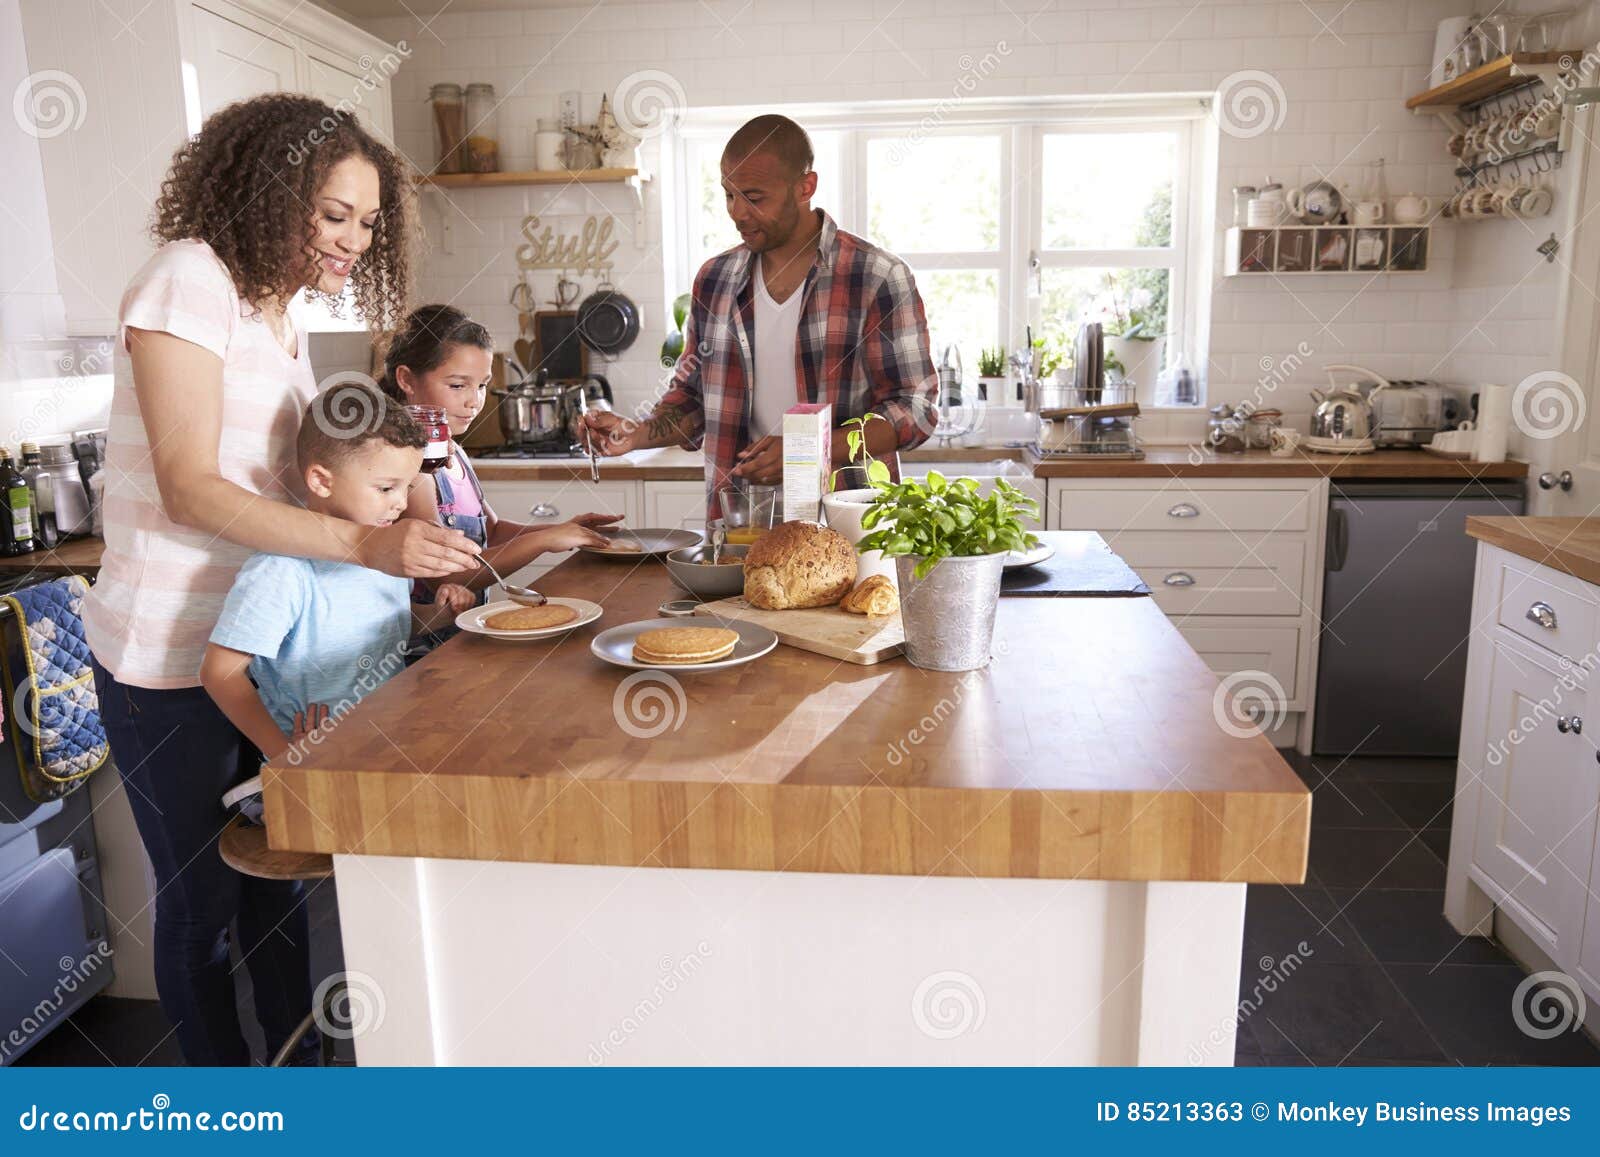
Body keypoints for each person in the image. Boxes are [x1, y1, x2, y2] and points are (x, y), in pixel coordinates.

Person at [83, 93, 480, 1067]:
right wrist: (366, 551)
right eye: (334, 213)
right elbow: (188, 488)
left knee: (276, 886)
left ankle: (299, 1086)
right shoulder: (187, 281)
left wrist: (412, 542)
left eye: (367, 222)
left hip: (259, 649)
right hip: (168, 657)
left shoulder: (280, 315)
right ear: (269, 191)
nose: (352, 239)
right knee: (204, 905)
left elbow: (317, 482)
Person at [581, 114, 937, 515]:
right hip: (741, 526)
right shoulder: (714, 280)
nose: (737, 212)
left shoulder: (876, 277)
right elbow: (693, 399)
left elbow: (914, 409)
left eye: (754, 197)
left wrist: (807, 452)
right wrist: (634, 434)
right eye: (729, 195)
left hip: (850, 526)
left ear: (806, 187)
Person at [201, 389, 474, 764]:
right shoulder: (281, 571)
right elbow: (220, 674)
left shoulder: (386, 552)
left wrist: (438, 615)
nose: (400, 502)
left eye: (407, 487)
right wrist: (284, 753)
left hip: (390, 742)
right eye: (385, 488)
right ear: (321, 481)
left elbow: (386, 628)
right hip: (319, 764)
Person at [379, 304, 618, 591]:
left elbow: (491, 532)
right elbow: (445, 577)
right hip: (429, 634)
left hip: (461, 626)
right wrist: (544, 541)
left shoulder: (456, 452)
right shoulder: (412, 466)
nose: (474, 401)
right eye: (457, 386)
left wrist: (564, 529)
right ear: (406, 379)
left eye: (482, 386)